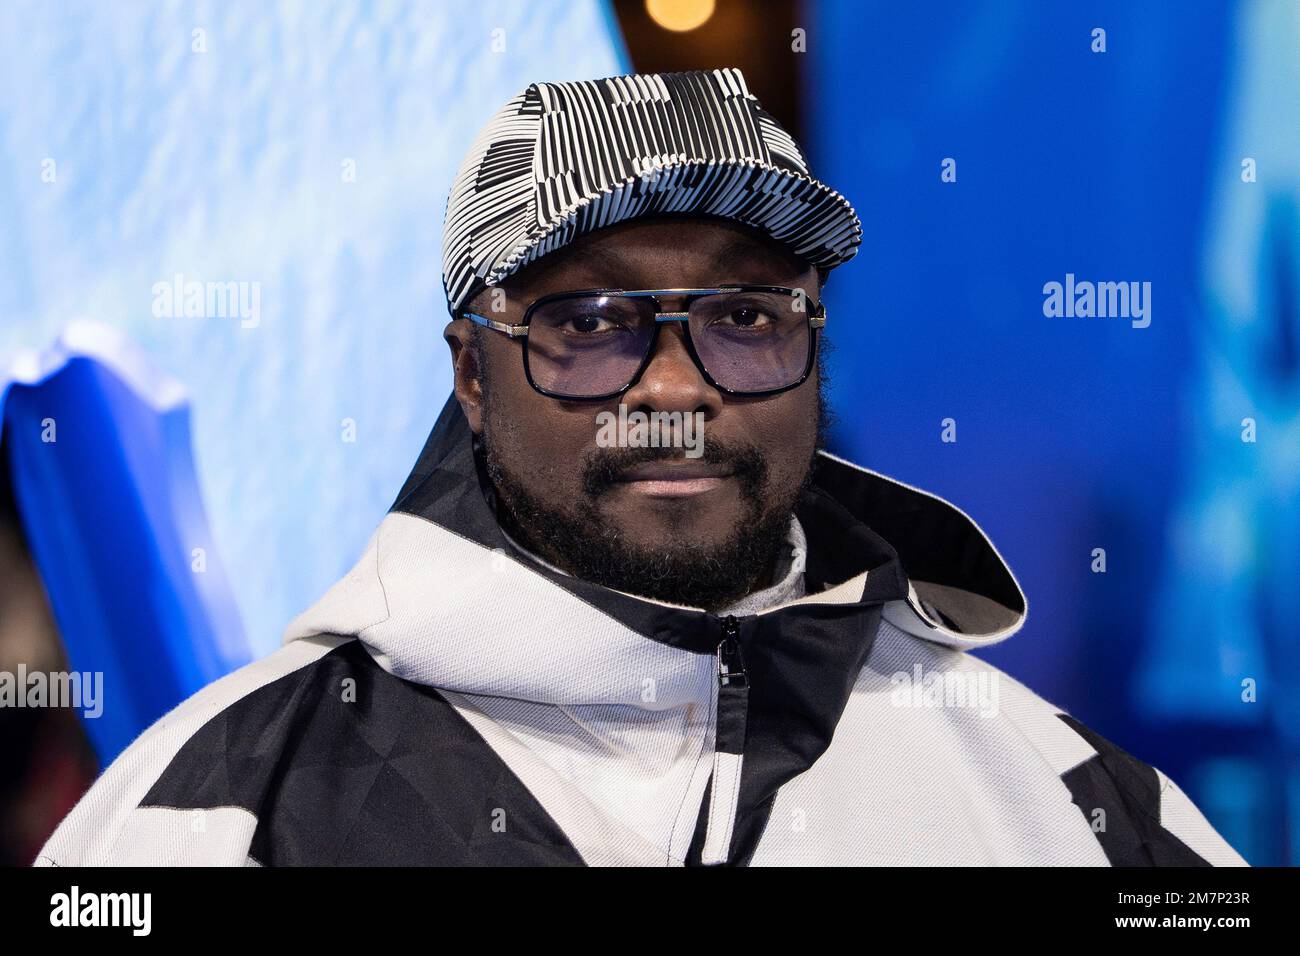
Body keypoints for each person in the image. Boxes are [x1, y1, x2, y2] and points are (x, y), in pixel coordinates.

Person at [37, 68, 1245, 866]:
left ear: (813, 345)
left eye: (745, 317)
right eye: (591, 322)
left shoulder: (1077, 801)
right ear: (471, 370)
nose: (674, 390)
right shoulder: (218, 807)